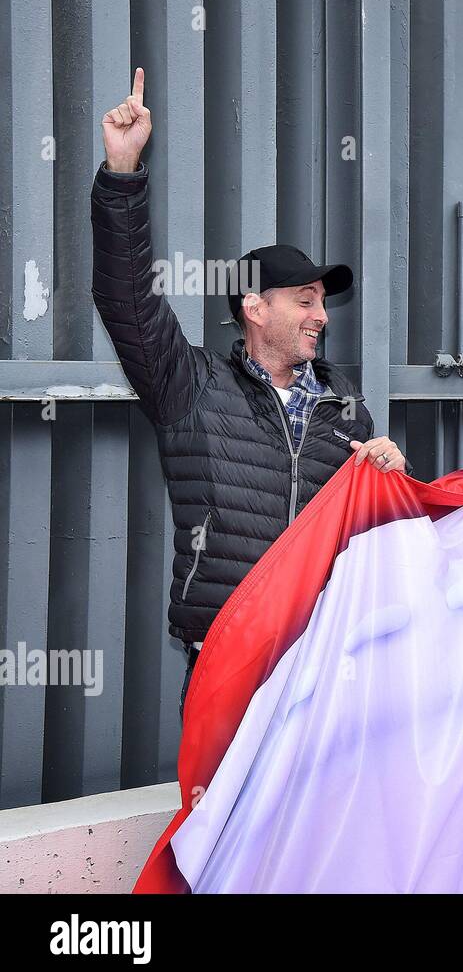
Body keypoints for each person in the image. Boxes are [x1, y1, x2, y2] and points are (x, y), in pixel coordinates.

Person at [92, 68, 408, 720]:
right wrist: (123, 171)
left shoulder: (343, 403)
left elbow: (378, 539)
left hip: (325, 666)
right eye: (305, 300)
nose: (322, 314)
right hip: (226, 661)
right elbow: (126, 297)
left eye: (324, 301)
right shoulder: (191, 387)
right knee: (223, 821)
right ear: (256, 310)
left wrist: (395, 481)